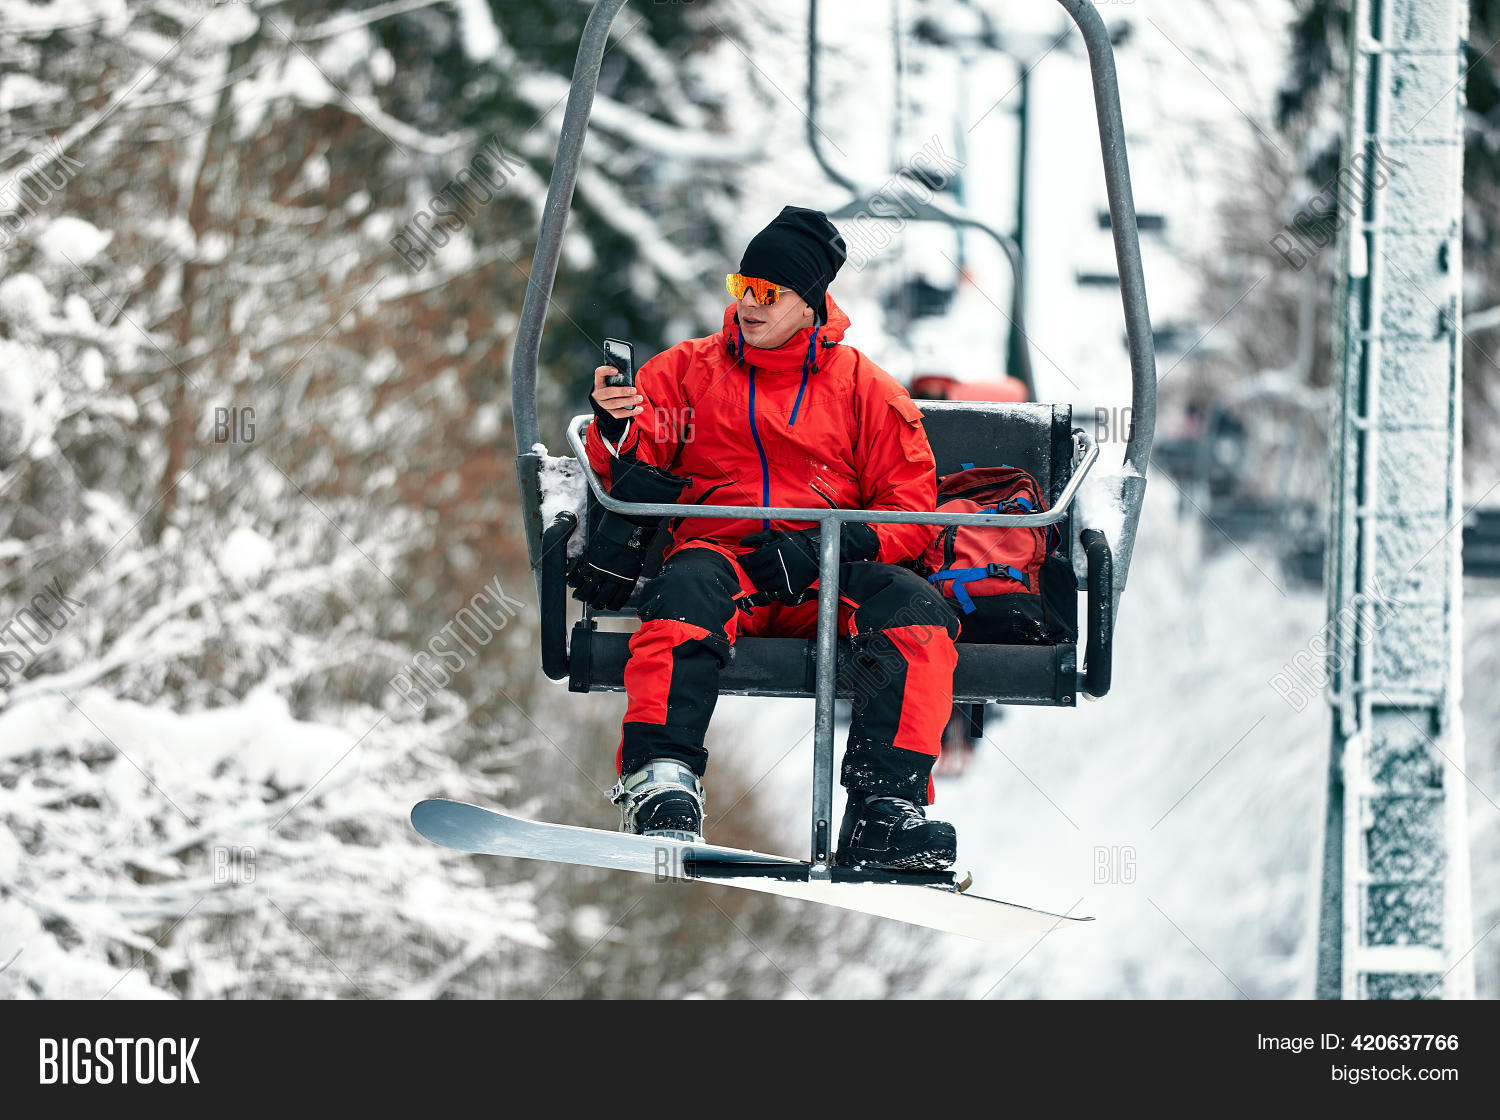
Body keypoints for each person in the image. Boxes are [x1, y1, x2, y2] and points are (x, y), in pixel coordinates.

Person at [568, 205, 962, 871]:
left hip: (825, 579)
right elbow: (634, 457)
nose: (749, 305)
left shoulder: (865, 391)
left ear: (808, 303)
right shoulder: (688, 373)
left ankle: (883, 811)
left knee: (914, 616)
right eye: (741, 287)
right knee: (686, 587)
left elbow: (911, 506)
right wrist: (614, 427)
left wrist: (834, 548)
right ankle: (661, 781)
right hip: (727, 567)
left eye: (768, 294)